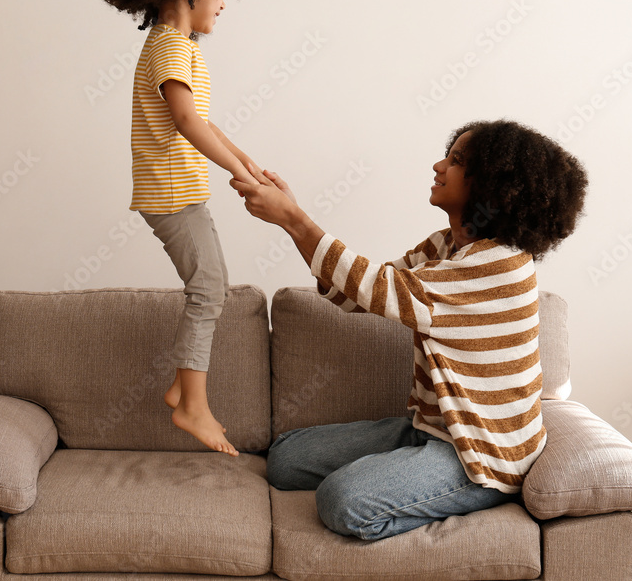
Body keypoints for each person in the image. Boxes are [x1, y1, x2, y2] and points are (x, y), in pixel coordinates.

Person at [230, 120, 589, 540]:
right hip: (432, 431)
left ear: (494, 183)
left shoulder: (497, 267)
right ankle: (411, 473)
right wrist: (290, 219)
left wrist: (294, 219)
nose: (439, 166)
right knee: (284, 459)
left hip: (480, 456)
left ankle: (482, 494)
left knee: (340, 500)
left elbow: (383, 289)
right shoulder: (447, 246)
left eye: (457, 161)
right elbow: (357, 295)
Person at [100, 0, 259, 456]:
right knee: (209, 288)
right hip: (171, 195)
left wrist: (248, 164)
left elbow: (204, 121)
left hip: (179, 192)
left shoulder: (178, 46)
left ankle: (182, 389)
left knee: (212, 284)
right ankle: (191, 403)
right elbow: (187, 122)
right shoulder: (170, 47)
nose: (223, 3)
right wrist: (239, 173)